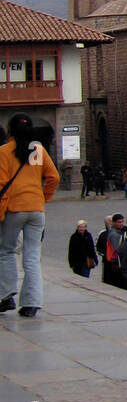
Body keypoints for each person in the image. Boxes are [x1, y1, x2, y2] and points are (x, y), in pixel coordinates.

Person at [0, 113, 60, 318]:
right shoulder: (39, 150)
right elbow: (53, 177)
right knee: (32, 257)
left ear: (10, 130)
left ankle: (6, 294)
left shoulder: (4, 152)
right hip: (36, 209)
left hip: (14, 209)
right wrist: (44, 197)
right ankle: (32, 303)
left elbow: (1, 184)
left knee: (7, 251)